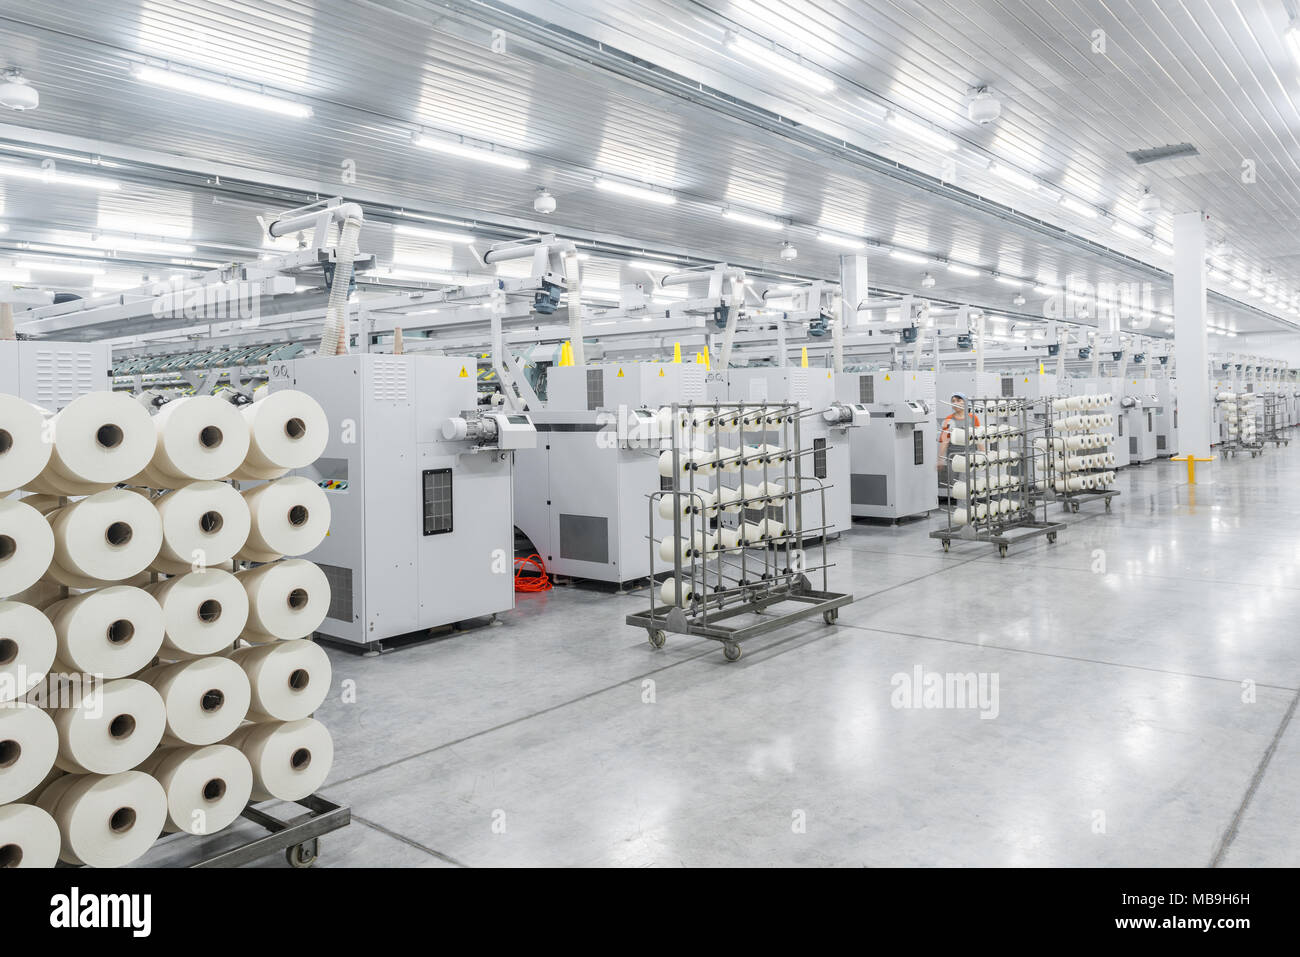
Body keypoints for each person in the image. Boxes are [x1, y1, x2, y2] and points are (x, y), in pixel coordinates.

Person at [937, 393, 980, 490]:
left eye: (958, 400)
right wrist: (940, 459)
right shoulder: (948, 420)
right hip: (954, 457)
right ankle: (962, 505)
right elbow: (944, 441)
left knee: (970, 486)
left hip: (970, 457)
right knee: (957, 486)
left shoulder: (973, 418)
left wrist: (984, 454)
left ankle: (966, 505)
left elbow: (979, 438)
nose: (955, 403)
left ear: (965, 403)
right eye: (953, 401)